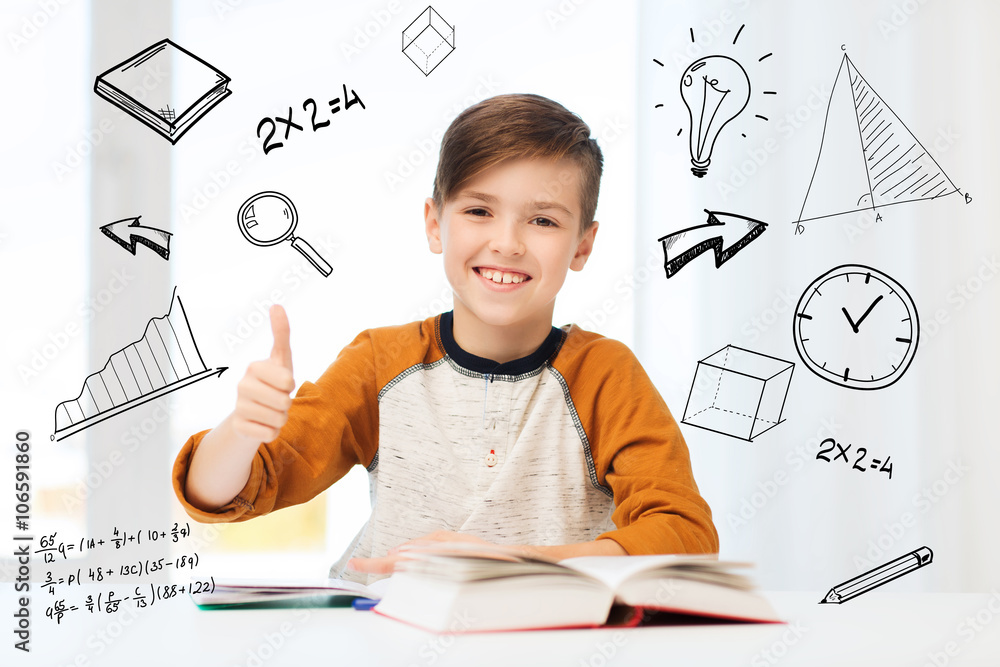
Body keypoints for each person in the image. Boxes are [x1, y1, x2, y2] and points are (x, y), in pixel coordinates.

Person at [172, 93, 718, 583]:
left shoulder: (604, 375)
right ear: (436, 224)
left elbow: (686, 540)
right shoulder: (381, 362)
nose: (506, 243)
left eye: (543, 221)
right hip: (382, 637)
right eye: (479, 211)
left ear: (582, 245)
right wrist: (242, 433)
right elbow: (219, 494)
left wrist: (514, 565)